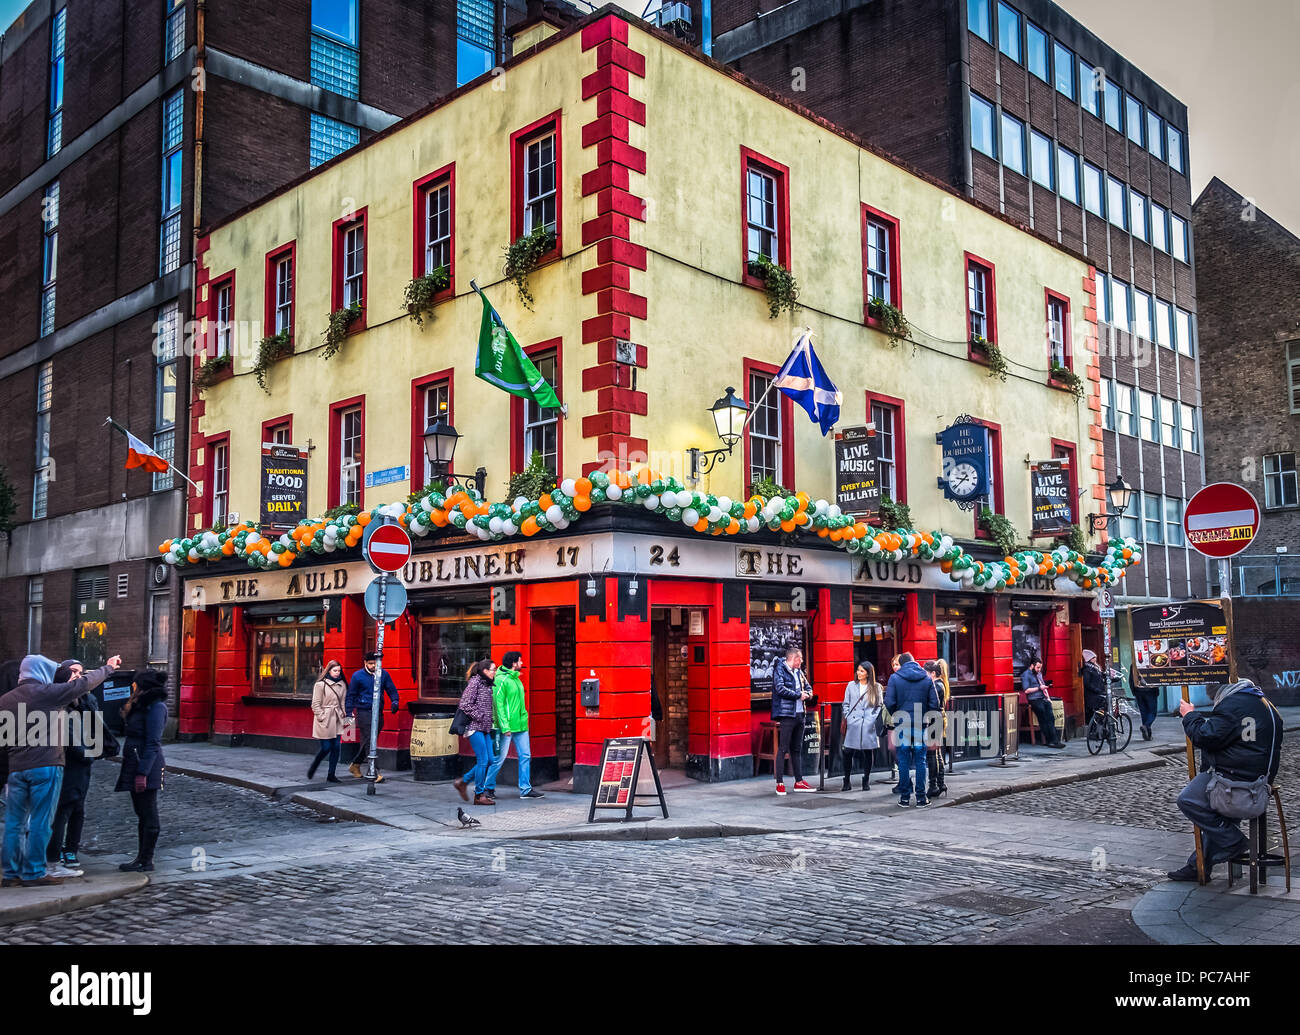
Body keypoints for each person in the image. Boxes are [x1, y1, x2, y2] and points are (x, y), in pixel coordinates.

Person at [2, 653, 120, 888]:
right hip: (45, 765)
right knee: (41, 821)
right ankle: (34, 871)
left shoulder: (5, 700)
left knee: (14, 822)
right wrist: (108, 668)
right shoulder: (48, 694)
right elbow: (84, 683)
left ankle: (10, 872)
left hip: (16, 768)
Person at [1167, 679, 1284, 882]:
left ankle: (1233, 842)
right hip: (1256, 776)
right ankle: (1198, 865)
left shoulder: (1232, 705)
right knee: (1218, 816)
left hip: (1238, 780)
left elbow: (1205, 736)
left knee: (1188, 799)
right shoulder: (1261, 701)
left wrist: (1190, 716)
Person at [46, 659, 117, 878]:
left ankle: (71, 850)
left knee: (78, 808)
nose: (78, 676)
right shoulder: (59, 699)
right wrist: (86, 753)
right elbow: (67, 737)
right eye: (74, 672)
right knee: (63, 809)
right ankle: (54, 855)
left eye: (81, 672)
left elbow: (95, 725)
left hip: (84, 760)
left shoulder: (86, 699)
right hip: (68, 762)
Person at [114, 669, 168, 873]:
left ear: (141, 686)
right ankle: (141, 857)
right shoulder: (141, 706)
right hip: (135, 763)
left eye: (134, 684)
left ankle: (147, 859)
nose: (132, 686)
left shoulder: (155, 707)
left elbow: (153, 742)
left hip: (146, 766)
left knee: (148, 812)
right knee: (141, 813)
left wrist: (142, 772)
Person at [483, 651, 544, 800]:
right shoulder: (501, 680)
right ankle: (487, 788)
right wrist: (505, 727)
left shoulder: (516, 679)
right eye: (520, 661)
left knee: (525, 756)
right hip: (507, 727)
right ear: (513, 663)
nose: (522, 663)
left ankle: (525, 789)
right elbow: (499, 705)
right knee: (499, 759)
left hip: (521, 725)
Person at [884, 652, 940, 808]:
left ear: (901, 665)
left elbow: (888, 702)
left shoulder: (895, 678)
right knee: (921, 760)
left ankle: (904, 798)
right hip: (920, 723)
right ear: (914, 662)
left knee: (903, 760)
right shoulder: (927, 678)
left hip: (902, 723)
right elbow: (935, 703)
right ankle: (921, 798)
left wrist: (897, 714)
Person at [345, 652, 400, 782]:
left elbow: (391, 690)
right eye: (370, 663)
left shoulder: (383, 674)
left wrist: (395, 702)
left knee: (368, 741)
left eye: (375, 663)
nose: (373, 666)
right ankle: (375, 771)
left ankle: (355, 765)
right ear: (365, 663)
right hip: (364, 712)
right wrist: (348, 713)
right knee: (371, 741)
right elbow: (351, 695)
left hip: (378, 712)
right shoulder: (357, 676)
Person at [771, 647, 816, 796]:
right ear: (793, 658)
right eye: (800, 658)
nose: (802, 661)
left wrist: (808, 694)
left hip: (800, 714)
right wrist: (798, 695)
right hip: (787, 715)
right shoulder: (780, 669)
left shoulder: (799, 672)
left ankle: (799, 781)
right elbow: (780, 689)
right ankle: (780, 783)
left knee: (797, 749)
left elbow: (808, 687)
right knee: (783, 748)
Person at [452, 660, 498, 806]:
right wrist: (481, 716)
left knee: (490, 760)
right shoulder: (475, 683)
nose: (495, 672)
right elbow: (464, 704)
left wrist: (489, 720)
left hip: (484, 727)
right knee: (483, 760)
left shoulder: (488, 684)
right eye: (493, 669)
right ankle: (479, 795)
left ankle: (463, 781)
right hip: (474, 727)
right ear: (485, 671)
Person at [840, 661, 884, 791]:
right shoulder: (851, 685)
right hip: (853, 723)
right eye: (858, 670)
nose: (858, 673)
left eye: (862, 671)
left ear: (868, 673)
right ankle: (846, 780)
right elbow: (846, 703)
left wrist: (872, 719)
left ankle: (866, 779)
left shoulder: (876, 687)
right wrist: (848, 716)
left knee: (868, 751)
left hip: (868, 724)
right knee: (848, 751)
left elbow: (879, 705)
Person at [308, 660, 348, 782]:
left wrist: (344, 716)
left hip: (337, 719)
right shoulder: (320, 685)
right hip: (325, 719)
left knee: (336, 747)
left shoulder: (342, 684)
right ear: (328, 670)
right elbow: (315, 704)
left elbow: (342, 703)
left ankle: (331, 775)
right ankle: (315, 764)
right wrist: (322, 717)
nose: (337, 673)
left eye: (339, 671)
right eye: (335, 670)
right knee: (326, 747)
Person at [1021, 658, 1064, 748]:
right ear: (1032, 666)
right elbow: (1026, 690)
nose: (1039, 670)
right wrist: (1039, 688)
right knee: (1043, 716)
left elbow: (1043, 687)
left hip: (1043, 698)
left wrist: (1048, 698)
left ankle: (1055, 741)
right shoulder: (1026, 675)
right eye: (1037, 667)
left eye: (1040, 668)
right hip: (1034, 699)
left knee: (1051, 717)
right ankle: (1050, 740)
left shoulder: (1039, 674)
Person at [1131, 663, 1159, 741]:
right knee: (1152, 712)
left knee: (1144, 712)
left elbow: (1131, 678)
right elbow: (1157, 676)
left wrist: (1134, 691)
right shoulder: (1151, 663)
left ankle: (1148, 735)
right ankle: (1146, 726)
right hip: (1150, 690)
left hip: (1139, 691)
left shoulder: (1134, 663)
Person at [1080, 649, 1108, 725]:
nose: (1095, 659)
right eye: (1093, 658)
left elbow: (1100, 676)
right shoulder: (1087, 669)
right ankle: (1092, 729)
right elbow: (1087, 683)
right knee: (1093, 712)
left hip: (1098, 693)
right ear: (1089, 659)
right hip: (1092, 695)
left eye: (1095, 657)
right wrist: (1096, 689)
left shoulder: (1095, 668)